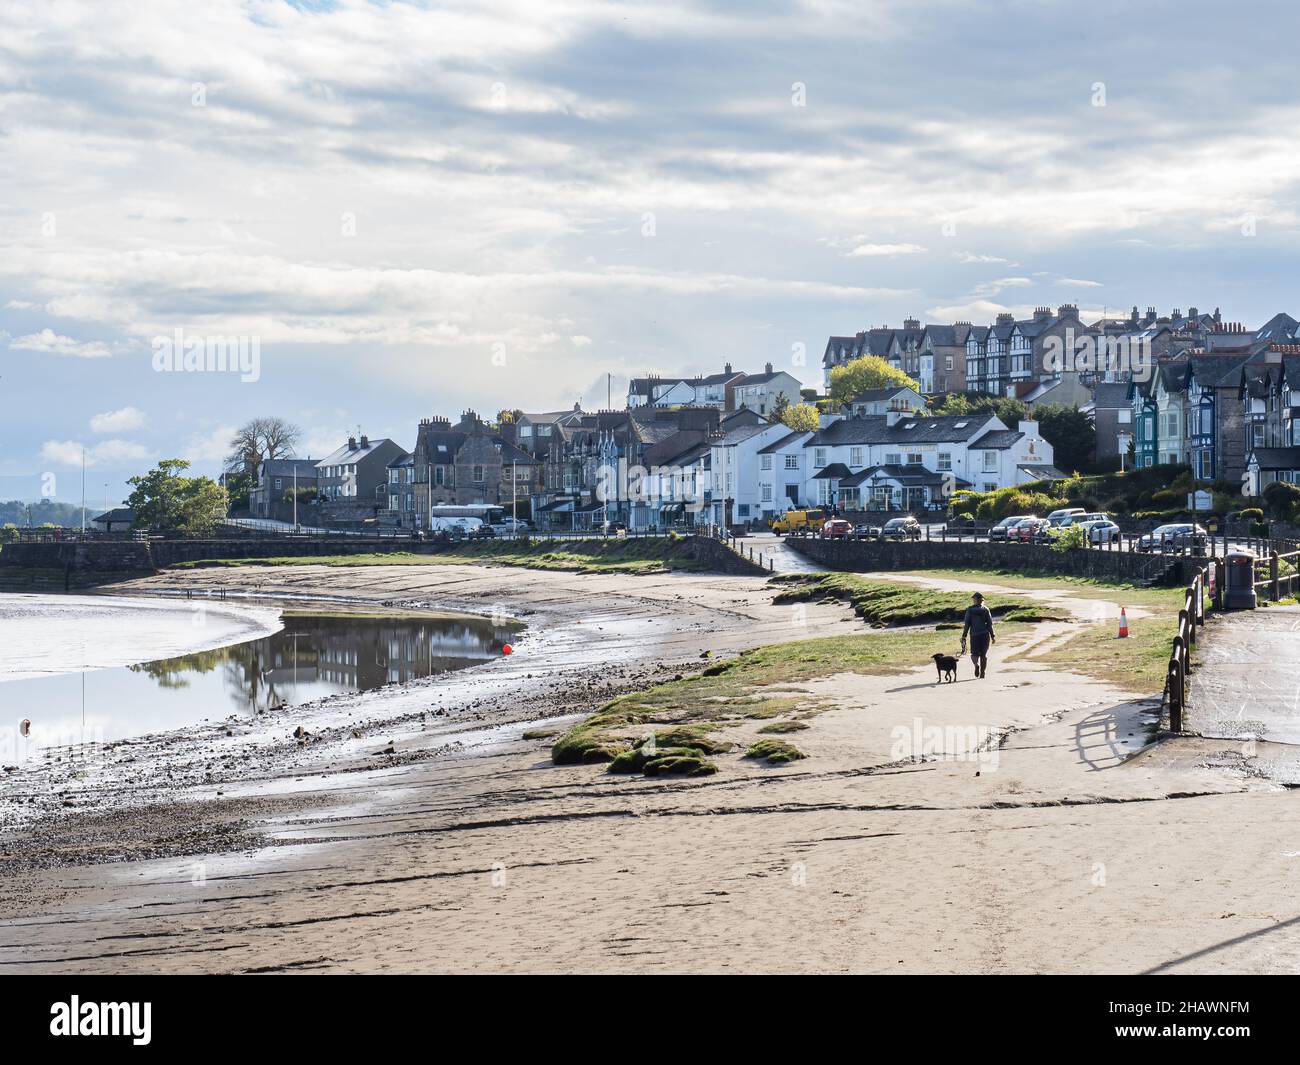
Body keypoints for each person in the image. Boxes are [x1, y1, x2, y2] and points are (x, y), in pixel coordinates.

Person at [959, 591, 996, 679]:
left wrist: (964, 635)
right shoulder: (986, 609)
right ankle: (982, 673)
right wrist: (993, 636)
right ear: (982, 600)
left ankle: (976, 665)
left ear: (975, 600)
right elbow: (989, 624)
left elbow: (967, 624)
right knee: (983, 655)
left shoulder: (970, 610)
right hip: (985, 635)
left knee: (974, 654)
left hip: (974, 635)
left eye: (973, 599)